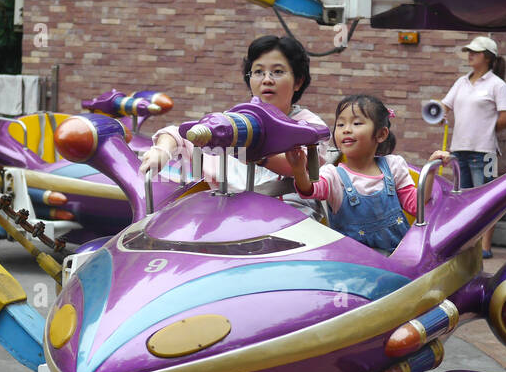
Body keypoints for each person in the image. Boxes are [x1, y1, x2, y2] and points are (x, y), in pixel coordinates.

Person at [139, 35, 331, 212]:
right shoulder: (232, 121)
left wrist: (250, 149)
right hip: (225, 219)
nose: (266, 80)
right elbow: (181, 134)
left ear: (298, 81)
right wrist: (162, 150)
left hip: (289, 220)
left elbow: (300, 164)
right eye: (258, 72)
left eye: (277, 72)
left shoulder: (309, 125)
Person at [286, 94, 449, 253]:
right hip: (355, 264)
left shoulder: (393, 166)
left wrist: (430, 171)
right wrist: (299, 170)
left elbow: (416, 205)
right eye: (340, 124)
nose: (346, 130)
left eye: (356, 123)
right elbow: (309, 189)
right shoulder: (333, 175)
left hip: (397, 260)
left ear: (381, 134)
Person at [441, 36, 506, 258]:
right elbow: (445, 106)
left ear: (488, 58)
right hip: (459, 150)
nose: (470, 54)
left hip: (485, 152)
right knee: (462, 198)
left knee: (486, 198)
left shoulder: (497, 85)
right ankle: (467, 244)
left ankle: (484, 247)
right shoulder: (461, 82)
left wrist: (486, 131)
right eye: (469, 51)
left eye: (476, 52)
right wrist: (437, 112)